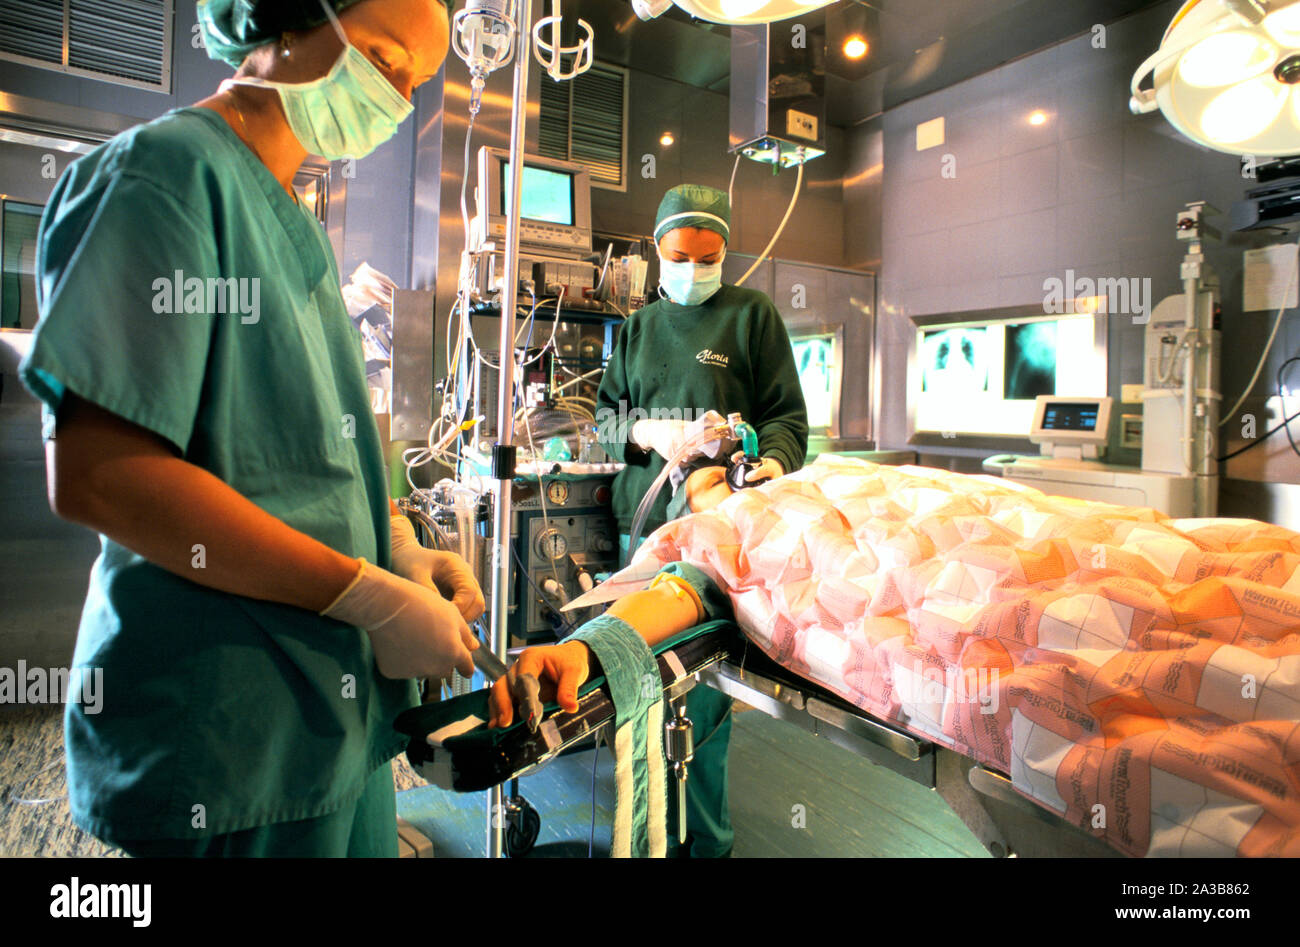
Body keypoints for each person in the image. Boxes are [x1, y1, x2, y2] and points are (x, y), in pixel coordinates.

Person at [18, 0, 479, 858]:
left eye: (413, 82)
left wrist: (400, 546)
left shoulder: (295, 225)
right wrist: (367, 596)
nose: (397, 101)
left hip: (331, 727)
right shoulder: (164, 177)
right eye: (382, 59)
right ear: (290, 20)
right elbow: (103, 473)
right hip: (228, 737)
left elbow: (303, 454)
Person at [594, 183, 808, 857]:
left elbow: (786, 418)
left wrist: (772, 461)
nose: (693, 270)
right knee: (633, 698)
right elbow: (605, 423)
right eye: (680, 256)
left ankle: (706, 843)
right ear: (657, 249)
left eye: (708, 256)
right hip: (638, 534)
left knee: (702, 704)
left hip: (711, 546)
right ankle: (644, 840)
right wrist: (646, 430)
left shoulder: (752, 316)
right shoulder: (635, 329)